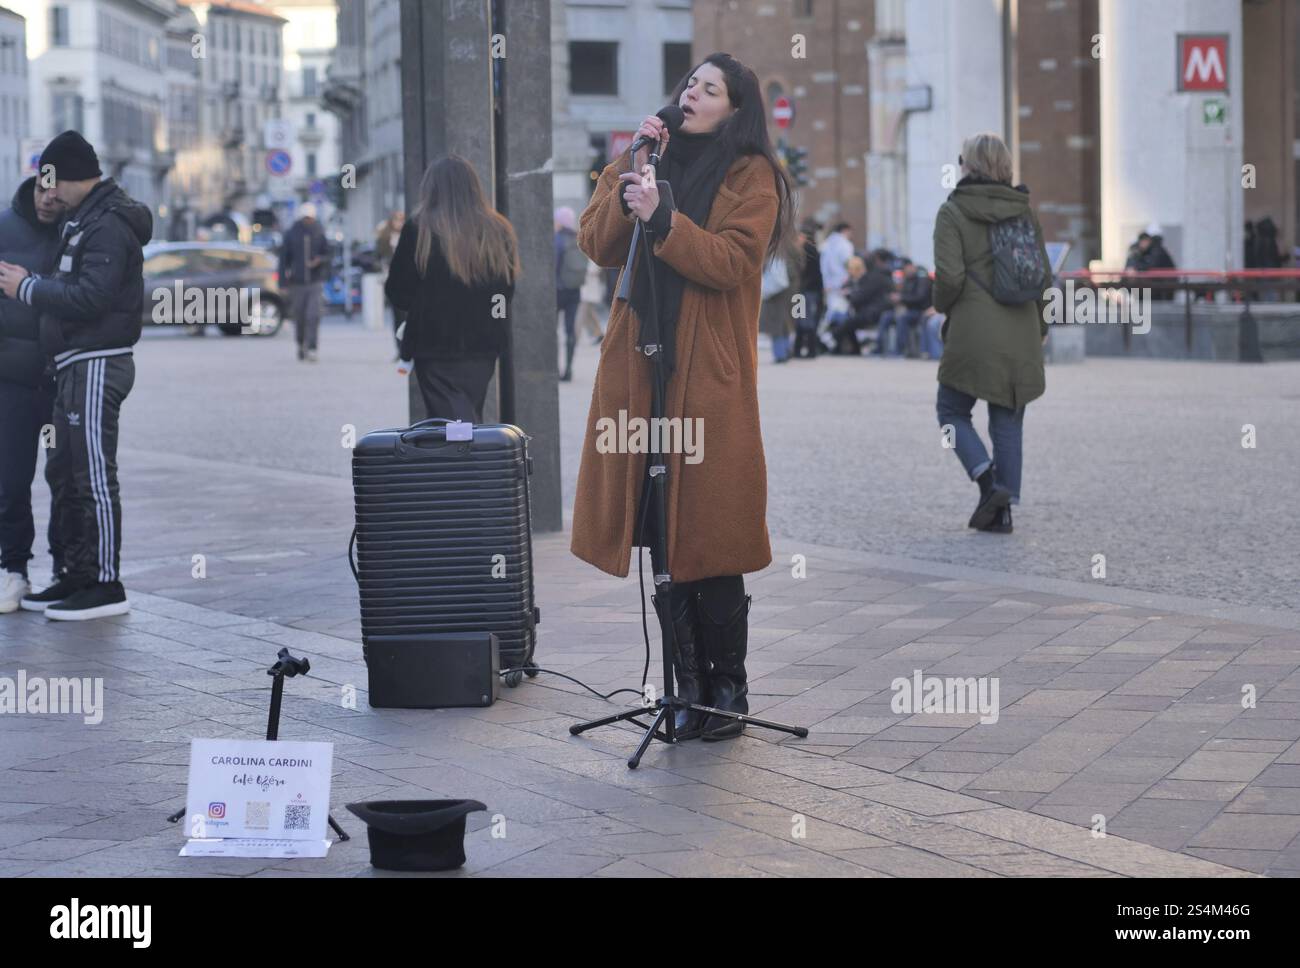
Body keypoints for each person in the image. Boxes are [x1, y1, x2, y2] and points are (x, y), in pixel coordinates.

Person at [571, 52, 796, 740]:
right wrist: (630, 166)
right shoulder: (652, 157)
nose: (692, 93)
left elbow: (733, 261)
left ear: (736, 108)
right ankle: (685, 687)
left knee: (712, 532)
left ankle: (727, 689)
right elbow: (597, 244)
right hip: (643, 370)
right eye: (689, 83)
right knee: (662, 527)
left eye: (709, 88)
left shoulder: (751, 174)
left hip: (709, 375)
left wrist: (664, 219)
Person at [0, 130, 152, 619]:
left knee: (93, 477)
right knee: (64, 473)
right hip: (63, 365)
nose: (51, 194)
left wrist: (28, 289)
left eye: (55, 182)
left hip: (93, 361)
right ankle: (75, 576)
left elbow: (90, 296)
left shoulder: (104, 224)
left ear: (70, 179)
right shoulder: (84, 220)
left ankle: (104, 583)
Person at [933, 132, 1051, 536]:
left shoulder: (952, 212)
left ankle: (986, 483)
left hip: (972, 328)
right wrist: (1042, 327)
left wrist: (943, 307)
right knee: (1008, 416)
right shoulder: (1025, 211)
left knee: (950, 411)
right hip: (1021, 328)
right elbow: (1044, 277)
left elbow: (949, 277)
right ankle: (1003, 512)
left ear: (969, 165)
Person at [384, 154, 519, 422]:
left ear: (430, 188)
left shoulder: (418, 228)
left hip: (433, 345)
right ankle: (470, 458)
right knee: (468, 413)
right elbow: (504, 293)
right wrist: (495, 323)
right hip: (483, 344)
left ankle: (465, 460)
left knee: (450, 420)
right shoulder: (498, 229)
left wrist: (425, 303)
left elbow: (398, 290)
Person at [0, 175, 67, 612]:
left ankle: (65, 568)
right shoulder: (5, 227)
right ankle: (13, 570)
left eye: (57, 190)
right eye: (43, 188)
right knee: (10, 478)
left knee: (64, 476)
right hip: (14, 384)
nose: (48, 197)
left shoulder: (78, 230)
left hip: (62, 385)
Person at [281, 202, 328, 361]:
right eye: (306, 218)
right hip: (297, 282)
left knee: (313, 315)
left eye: (311, 218)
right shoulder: (291, 233)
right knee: (299, 316)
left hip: (315, 281)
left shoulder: (319, 231)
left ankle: (313, 347)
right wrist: (283, 282)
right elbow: (284, 259)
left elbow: (327, 254)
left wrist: (319, 261)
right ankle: (301, 344)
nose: (309, 221)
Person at [554, 206, 586, 381]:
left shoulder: (557, 239)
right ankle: (569, 370)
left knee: (553, 331)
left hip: (558, 291)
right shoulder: (578, 238)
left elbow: (554, 266)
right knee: (570, 331)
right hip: (575, 290)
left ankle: (555, 369)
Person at [876, 260, 933, 357]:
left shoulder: (922, 280)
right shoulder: (906, 280)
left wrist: (901, 298)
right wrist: (896, 297)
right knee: (886, 316)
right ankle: (879, 348)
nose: (904, 271)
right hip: (907, 309)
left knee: (902, 318)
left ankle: (900, 350)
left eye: (905, 268)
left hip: (920, 311)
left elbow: (919, 297)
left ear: (912, 267)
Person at [758, 243, 796, 363]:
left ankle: (780, 354)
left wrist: (764, 290)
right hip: (783, 295)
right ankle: (785, 351)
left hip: (775, 297)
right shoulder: (780, 257)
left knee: (776, 327)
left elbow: (778, 280)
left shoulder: (774, 259)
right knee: (782, 326)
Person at [376, 210, 406, 357]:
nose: (398, 223)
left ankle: (408, 348)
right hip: (392, 279)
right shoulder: (385, 236)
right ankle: (399, 349)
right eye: (396, 219)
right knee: (397, 316)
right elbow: (378, 255)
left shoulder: (410, 235)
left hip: (408, 279)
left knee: (408, 316)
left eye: (401, 220)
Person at [792, 219, 823, 358]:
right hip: (808, 290)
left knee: (803, 319)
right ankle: (804, 349)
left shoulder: (807, 250)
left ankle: (805, 350)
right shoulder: (812, 250)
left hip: (805, 290)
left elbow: (806, 273)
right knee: (803, 319)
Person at [819, 222, 854, 314]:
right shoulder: (845, 245)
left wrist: (826, 282)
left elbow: (823, 264)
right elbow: (849, 264)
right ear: (845, 231)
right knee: (842, 309)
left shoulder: (827, 243)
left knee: (832, 307)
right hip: (842, 281)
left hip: (829, 282)